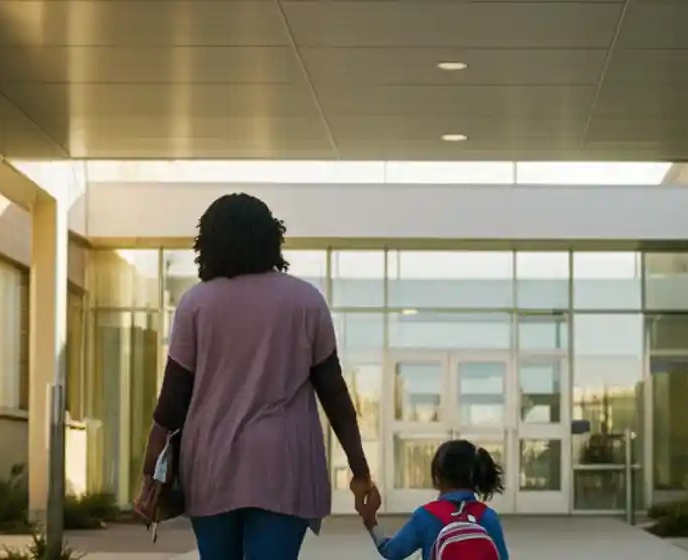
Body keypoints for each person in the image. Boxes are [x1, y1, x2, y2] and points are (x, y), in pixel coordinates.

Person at [133, 193, 380, 559]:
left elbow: (170, 406)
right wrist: (360, 473)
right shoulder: (306, 302)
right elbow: (335, 397)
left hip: (211, 467)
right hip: (285, 466)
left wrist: (149, 479)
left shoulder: (196, 305)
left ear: (208, 243)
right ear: (272, 238)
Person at [360, 440, 509, 560]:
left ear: (437, 475)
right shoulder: (488, 516)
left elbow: (392, 552)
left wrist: (371, 520)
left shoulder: (426, 516)